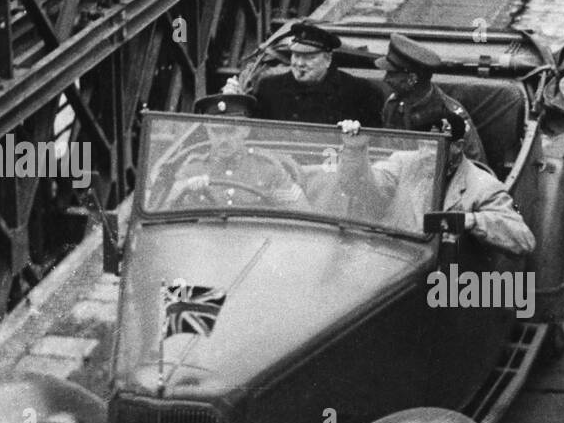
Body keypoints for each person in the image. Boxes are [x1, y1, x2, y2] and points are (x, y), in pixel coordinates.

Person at [330, 115, 534, 256]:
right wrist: (354, 149)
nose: (426, 152)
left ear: (458, 147)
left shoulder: (484, 186)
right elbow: (356, 186)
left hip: (442, 281)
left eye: (435, 145)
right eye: (423, 143)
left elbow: (523, 240)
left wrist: (471, 220)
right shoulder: (403, 162)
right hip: (388, 260)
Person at [218, 21, 385, 127]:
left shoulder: (359, 92)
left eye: (309, 57)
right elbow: (251, 131)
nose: (299, 63)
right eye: (296, 55)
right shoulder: (269, 87)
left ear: (328, 60)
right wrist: (237, 102)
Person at [377, 33, 488, 171]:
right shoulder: (393, 105)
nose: (386, 79)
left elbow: (476, 169)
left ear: (412, 78)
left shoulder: (452, 116)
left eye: (392, 74)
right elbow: (389, 153)